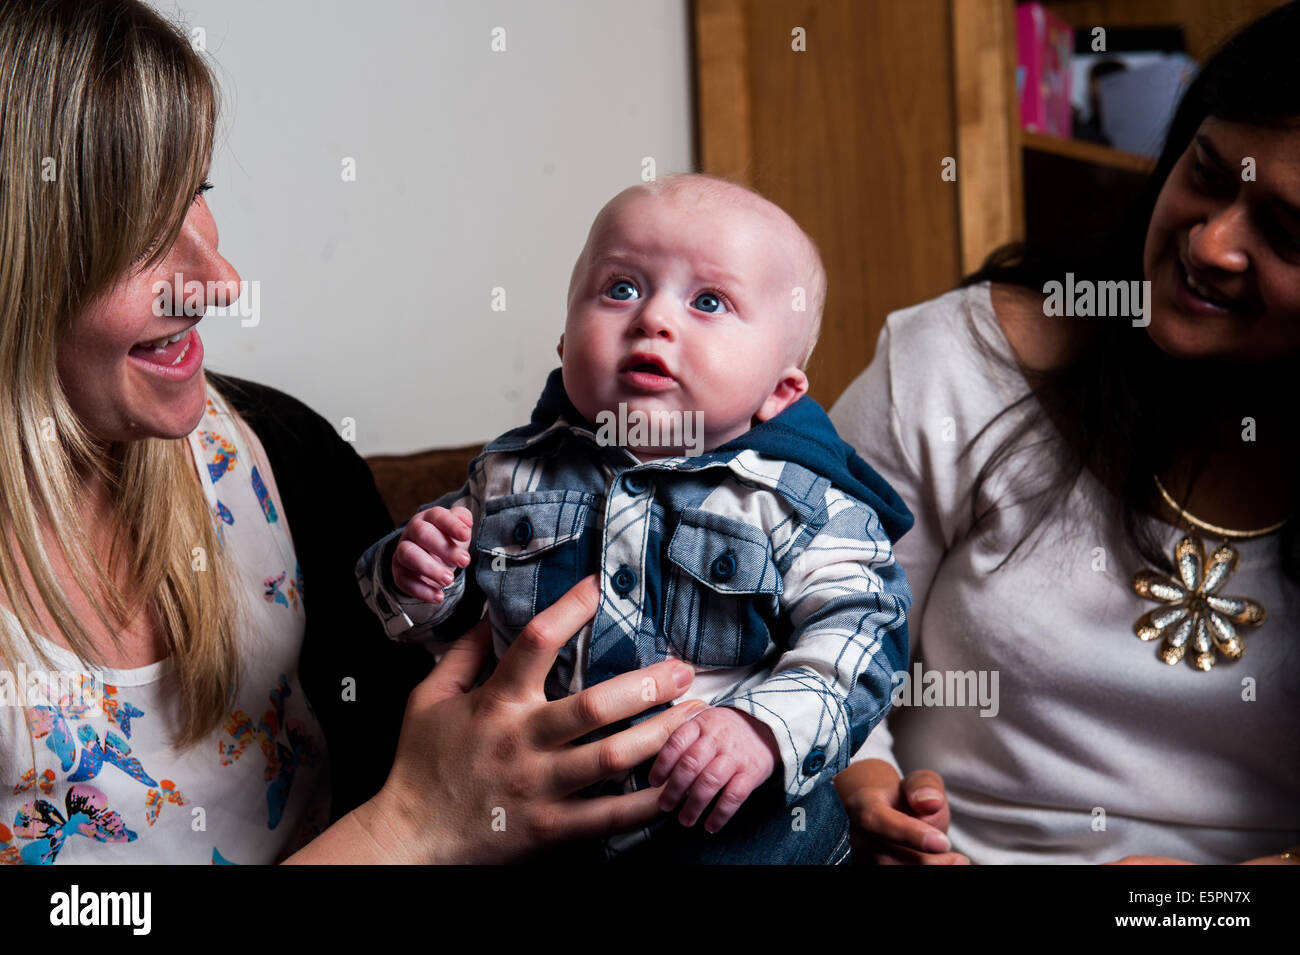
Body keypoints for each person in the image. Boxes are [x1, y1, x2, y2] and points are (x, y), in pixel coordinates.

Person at [0, 0, 702, 866]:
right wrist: (411, 822)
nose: (220, 281)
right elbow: (430, 807)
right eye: (135, 233)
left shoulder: (287, 455)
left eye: (195, 195)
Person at [831, 0, 1300, 865]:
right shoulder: (959, 365)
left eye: (1286, 233)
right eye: (1204, 174)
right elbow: (806, 636)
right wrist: (865, 795)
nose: (1211, 244)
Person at [356, 175, 913, 863]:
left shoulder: (804, 506)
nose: (653, 318)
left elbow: (864, 631)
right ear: (565, 344)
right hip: (531, 810)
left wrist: (763, 731)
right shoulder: (507, 475)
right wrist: (417, 576)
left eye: (709, 301)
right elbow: (437, 627)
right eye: (621, 288)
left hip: (727, 825)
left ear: (780, 391)